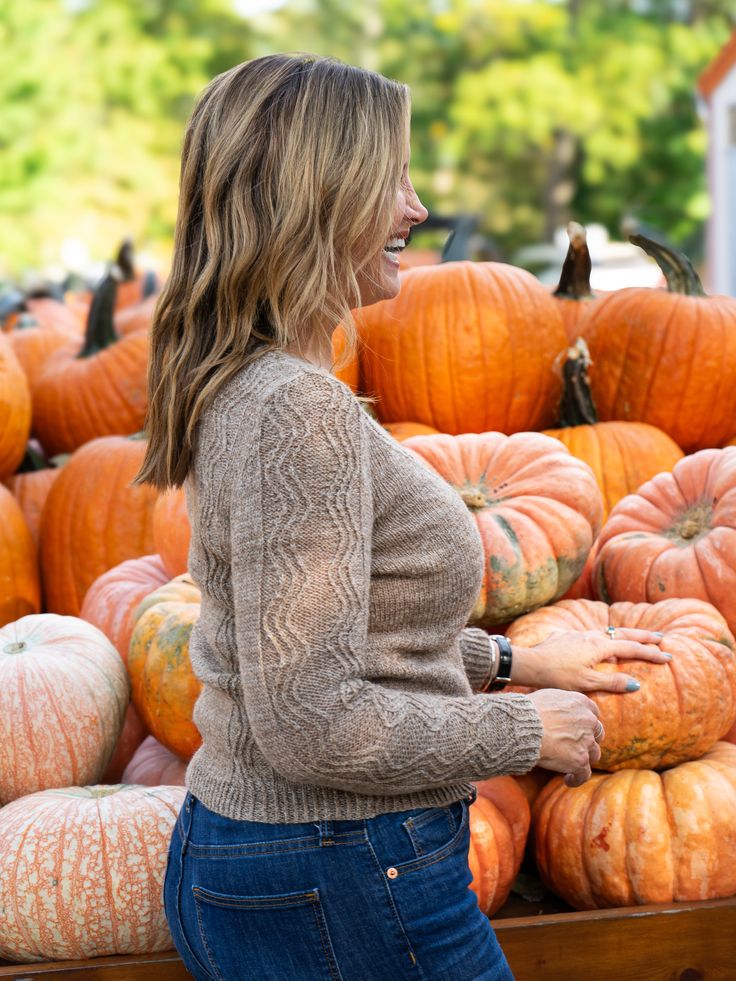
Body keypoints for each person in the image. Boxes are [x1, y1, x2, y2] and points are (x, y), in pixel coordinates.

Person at [137, 54, 667, 981]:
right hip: (343, 867)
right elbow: (311, 717)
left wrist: (506, 660)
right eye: (394, 179)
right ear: (318, 195)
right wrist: (525, 729)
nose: (417, 209)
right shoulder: (297, 412)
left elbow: (303, 647)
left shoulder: (255, 389)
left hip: (281, 859)